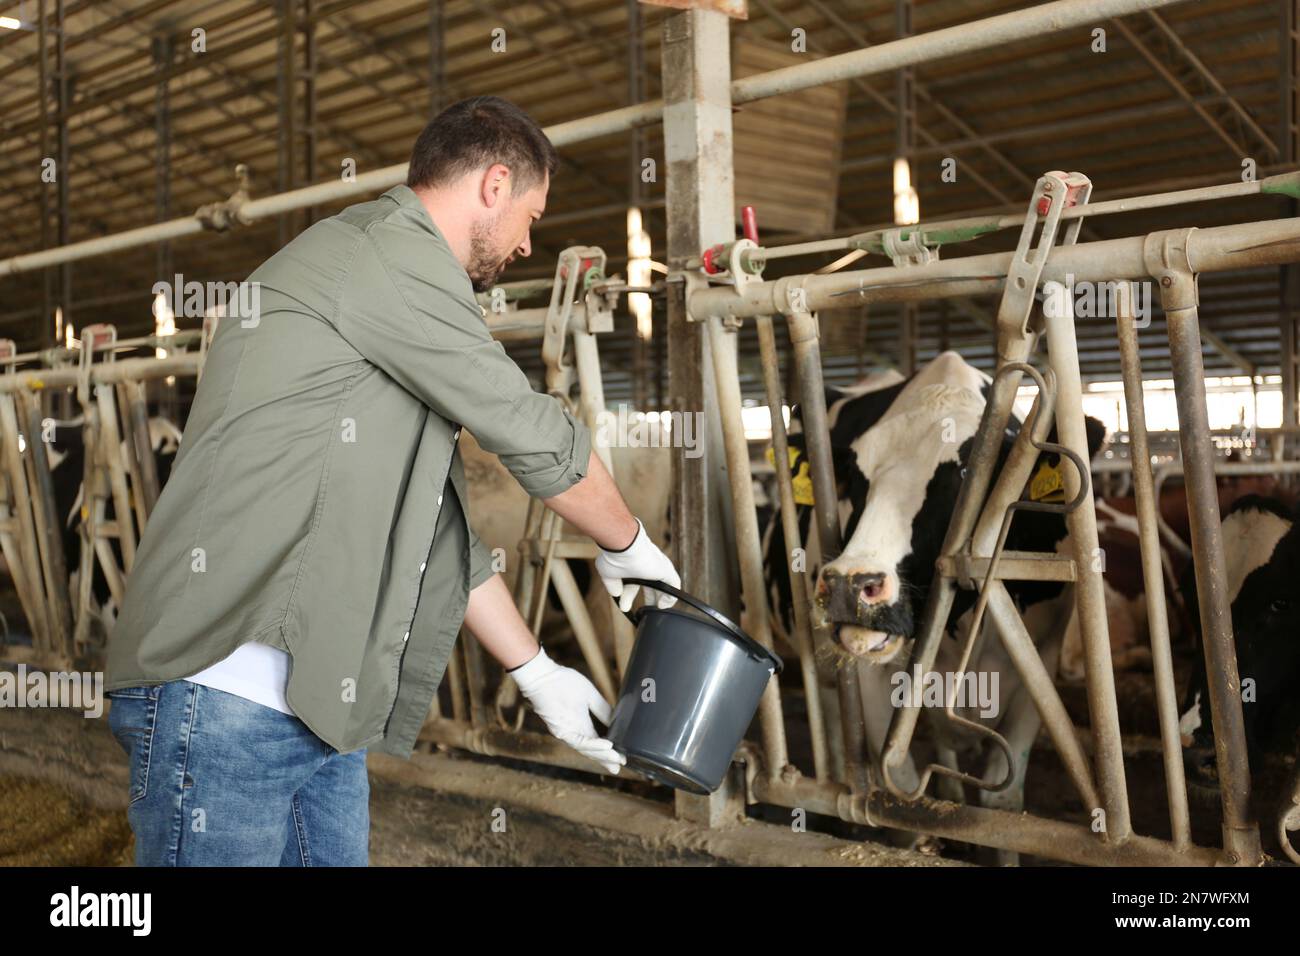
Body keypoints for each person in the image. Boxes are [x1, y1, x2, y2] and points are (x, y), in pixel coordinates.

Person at [103, 95, 682, 867]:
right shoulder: (384, 254)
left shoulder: (391, 293)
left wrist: (537, 671)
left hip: (316, 706)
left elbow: (438, 529)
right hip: (222, 694)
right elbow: (525, 424)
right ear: (495, 184)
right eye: (533, 218)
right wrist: (627, 540)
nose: (524, 245)